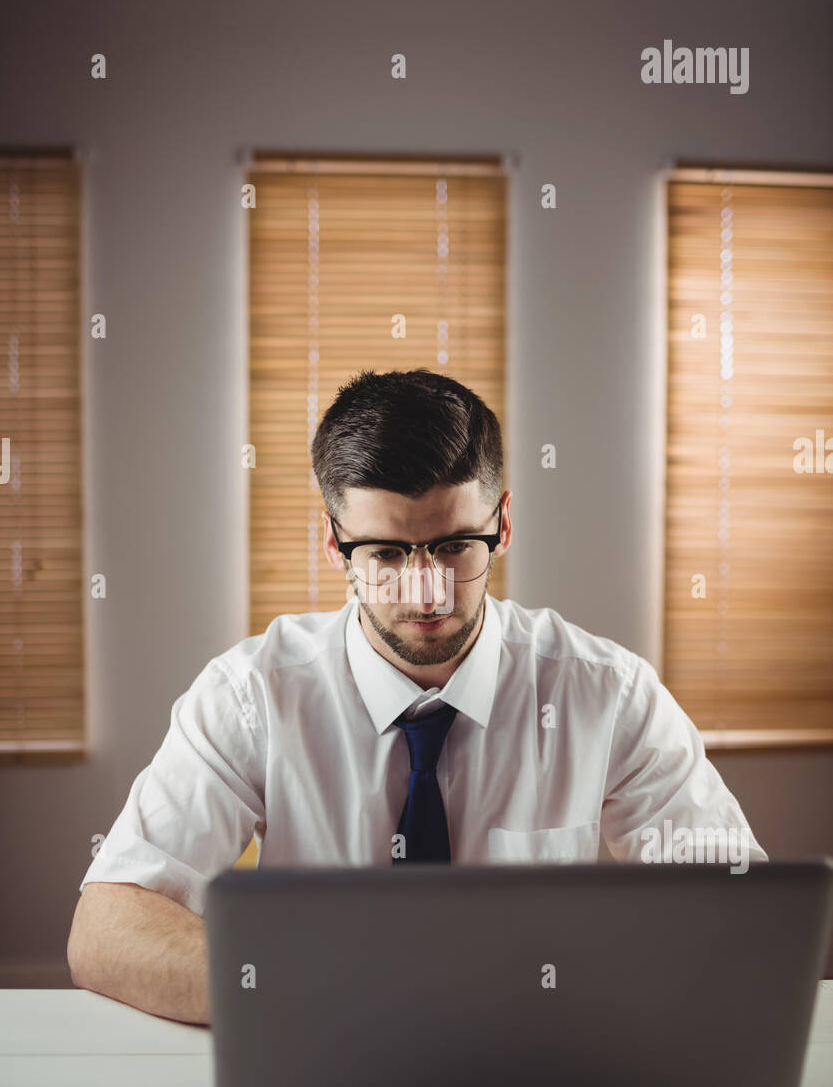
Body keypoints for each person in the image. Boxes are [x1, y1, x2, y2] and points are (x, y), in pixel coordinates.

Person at [66, 367, 767, 1025]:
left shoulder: (607, 694)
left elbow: (738, 912)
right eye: (388, 555)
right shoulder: (251, 696)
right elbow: (108, 927)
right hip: (327, 1064)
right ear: (335, 545)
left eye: (454, 546)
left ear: (503, 524)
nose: (425, 592)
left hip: (542, 1068)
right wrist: (315, 994)